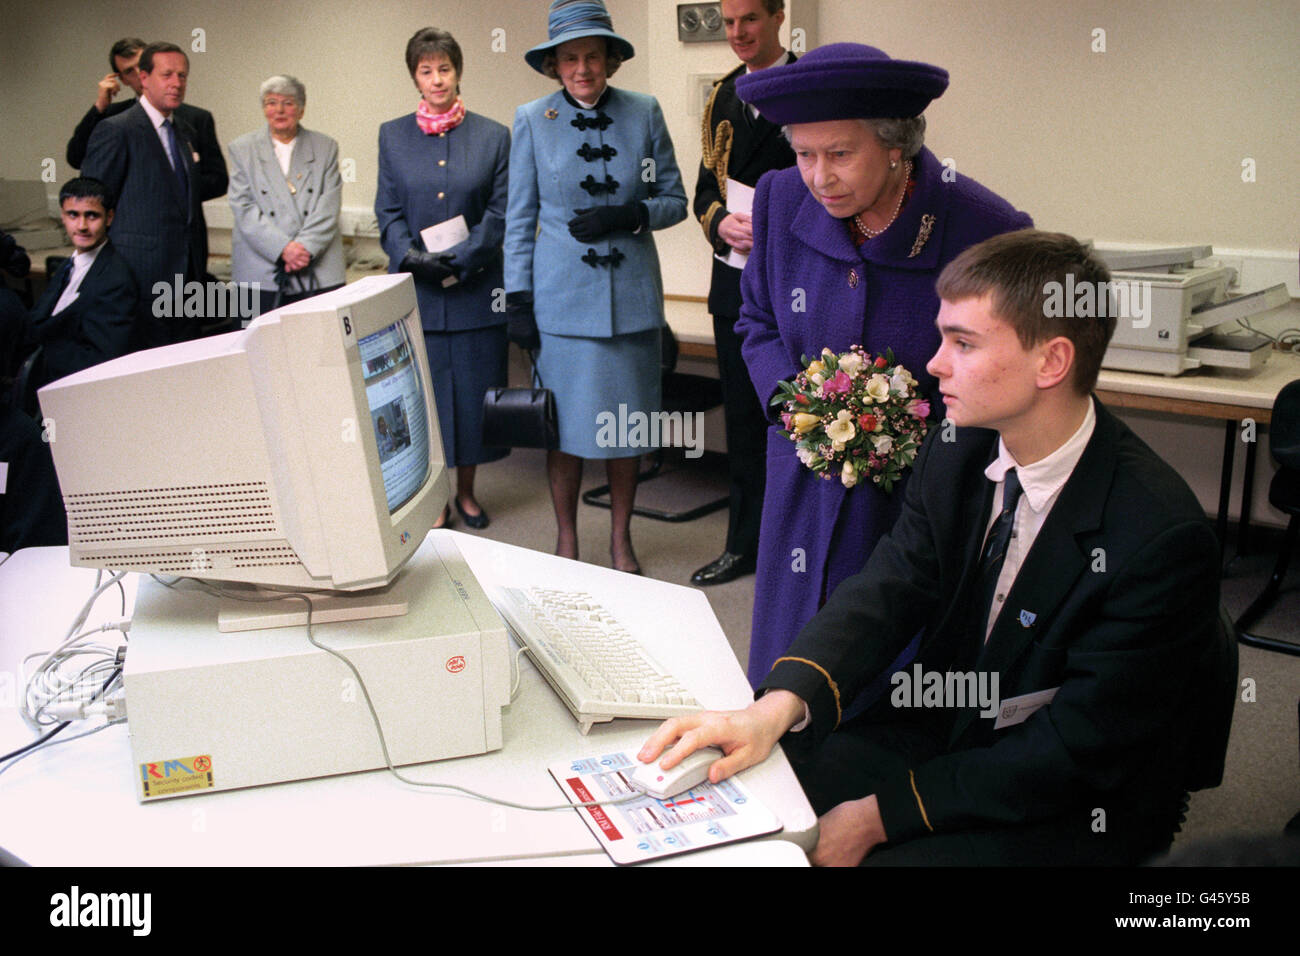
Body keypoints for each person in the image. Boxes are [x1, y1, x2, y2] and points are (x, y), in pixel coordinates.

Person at [640, 229, 1223, 866]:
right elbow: (890, 588)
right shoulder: (958, 445)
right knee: (758, 788)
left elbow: (1076, 748)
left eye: (963, 343)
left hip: (1072, 794)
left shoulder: (1159, 533)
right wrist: (775, 708)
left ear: (1051, 362)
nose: (935, 362)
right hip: (947, 724)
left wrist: (879, 817)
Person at [731, 43, 1033, 686]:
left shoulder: (984, 227)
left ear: (898, 145)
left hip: (919, 490)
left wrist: (912, 431)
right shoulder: (780, 199)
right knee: (790, 645)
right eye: (804, 153)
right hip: (803, 467)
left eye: (840, 154)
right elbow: (755, 320)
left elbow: (1009, 366)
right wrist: (794, 406)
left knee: (889, 655)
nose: (818, 177)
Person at [505, 0, 687, 573]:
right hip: (562, 305)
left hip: (631, 303)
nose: (581, 68)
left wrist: (629, 215)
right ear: (554, 66)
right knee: (565, 432)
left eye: (591, 55)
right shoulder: (533, 120)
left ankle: (620, 540)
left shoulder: (644, 113)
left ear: (610, 59)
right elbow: (518, 217)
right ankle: (566, 540)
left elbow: (675, 201)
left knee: (627, 430)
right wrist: (517, 299)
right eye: (569, 58)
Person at [376, 27, 511, 530]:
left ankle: (469, 493)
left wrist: (464, 258)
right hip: (416, 296)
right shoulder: (392, 135)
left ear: (458, 71)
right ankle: (433, 499)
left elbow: (500, 213)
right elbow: (386, 211)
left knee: (474, 398)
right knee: (421, 402)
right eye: (427, 70)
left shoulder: (494, 135)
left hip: (477, 294)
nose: (437, 79)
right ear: (415, 76)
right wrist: (411, 257)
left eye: (445, 69)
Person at [689, 0, 796, 587]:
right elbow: (703, 186)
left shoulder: (810, 86)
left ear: (779, 16)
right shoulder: (722, 95)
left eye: (749, 20)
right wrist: (717, 222)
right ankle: (742, 544)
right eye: (728, 23)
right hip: (733, 282)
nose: (737, 34)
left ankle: (795, 550)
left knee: (796, 421)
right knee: (744, 425)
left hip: (794, 287)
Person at [81, 42, 210, 349]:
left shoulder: (185, 132)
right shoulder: (116, 130)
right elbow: (91, 202)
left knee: (185, 373)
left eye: (182, 76)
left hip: (187, 281)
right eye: (167, 75)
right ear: (143, 77)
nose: (176, 83)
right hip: (139, 282)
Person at [228, 75, 344, 316]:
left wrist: (304, 248)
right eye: (271, 102)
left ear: (301, 110)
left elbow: (328, 205)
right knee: (260, 350)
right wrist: (282, 248)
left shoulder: (325, 147)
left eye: (288, 103)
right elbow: (243, 207)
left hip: (317, 268)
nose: (279, 110)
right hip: (261, 269)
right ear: (263, 108)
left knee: (320, 349)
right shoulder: (242, 149)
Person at [67, 37, 228, 202]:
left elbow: (218, 180)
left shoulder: (196, 118)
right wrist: (99, 107)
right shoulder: (112, 119)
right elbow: (76, 159)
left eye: (141, 65)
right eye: (130, 71)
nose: (138, 74)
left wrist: (175, 188)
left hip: (185, 218)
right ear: (122, 80)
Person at [22, 177, 138, 392]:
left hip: (65, 386)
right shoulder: (69, 265)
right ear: (63, 217)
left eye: (91, 216)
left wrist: (37, 360)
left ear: (109, 218)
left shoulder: (115, 279)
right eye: (73, 215)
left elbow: (102, 359)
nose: (82, 226)